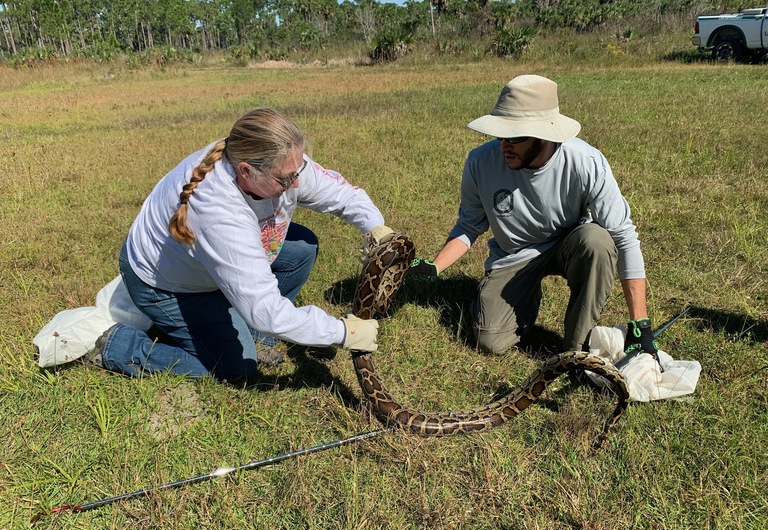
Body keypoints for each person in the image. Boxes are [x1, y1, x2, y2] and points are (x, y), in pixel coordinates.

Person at [88, 108, 393, 382]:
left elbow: (343, 195)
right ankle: (116, 345)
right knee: (235, 366)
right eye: (285, 180)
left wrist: (377, 229)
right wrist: (343, 332)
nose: (297, 184)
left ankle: (257, 336)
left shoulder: (280, 161)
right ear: (246, 171)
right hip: (166, 285)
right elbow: (266, 311)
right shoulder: (219, 214)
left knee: (301, 249)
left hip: (204, 263)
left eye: (298, 171)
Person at [409, 74, 658, 358]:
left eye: (515, 137)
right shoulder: (480, 162)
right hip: (514, 254)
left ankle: (575, 348)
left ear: (545, 135)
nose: (504, 146)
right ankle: (524, 297)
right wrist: (434, 267)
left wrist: (640, 325)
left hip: (569, 243)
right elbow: (469, 225)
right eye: (499, 134)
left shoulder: (586, 162)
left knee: (598, 241)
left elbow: (624, 236)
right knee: (489, 340)